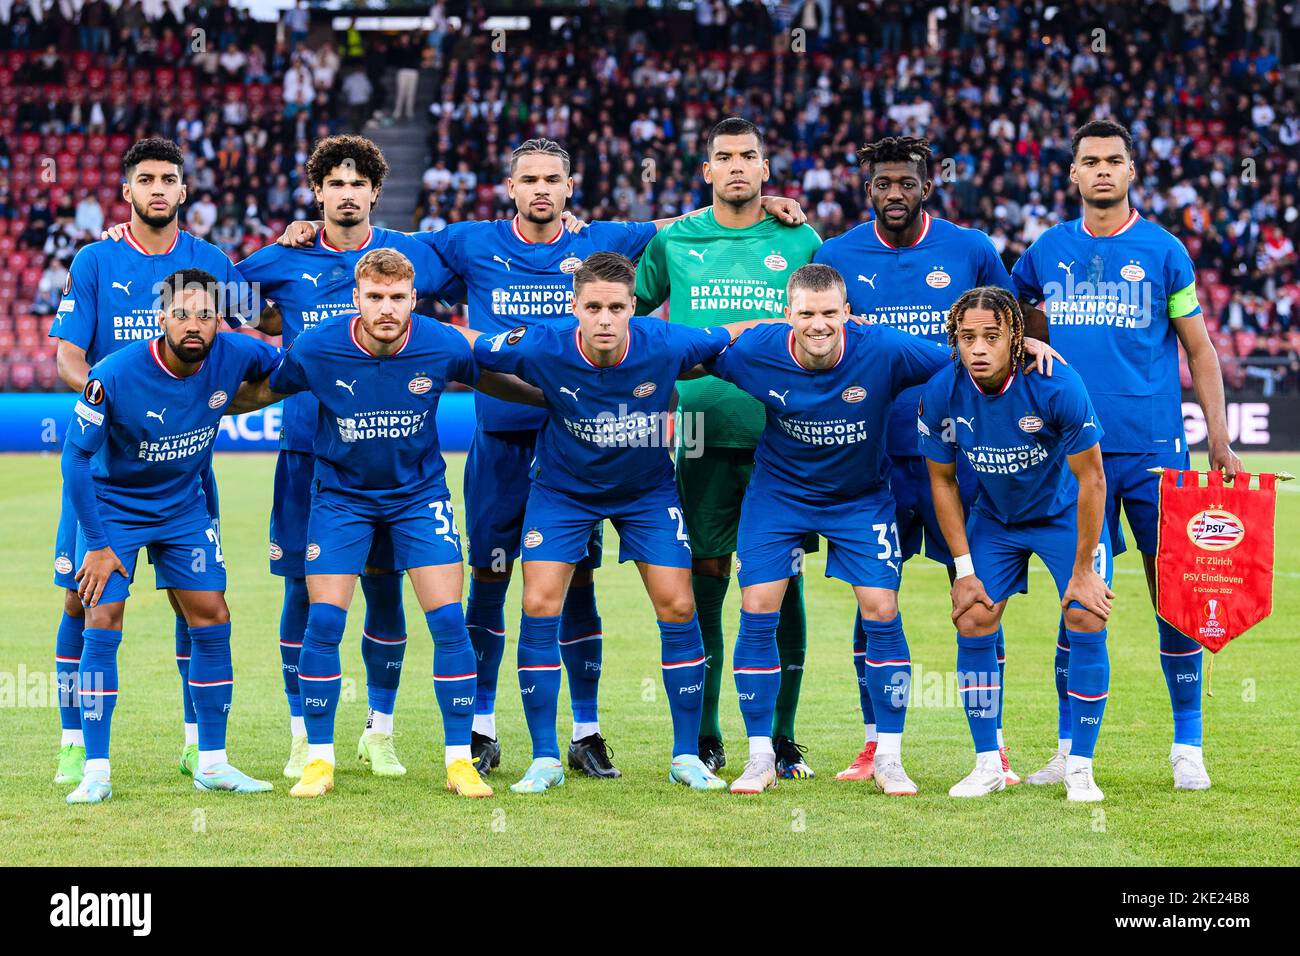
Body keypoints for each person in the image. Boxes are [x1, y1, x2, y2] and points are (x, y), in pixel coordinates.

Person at [276, 136, 805, 780]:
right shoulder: (468, 242)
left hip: (583, 446)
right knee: (493, 583)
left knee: (575, 586)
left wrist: (765, 200)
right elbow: (378, 256)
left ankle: (585, 732)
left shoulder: (602, 241)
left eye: (553, 178)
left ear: (570, 185)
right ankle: (479, 728)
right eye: (529, 179)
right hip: (502, 440)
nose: (541, 190)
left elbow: (687, 223)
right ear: (511, 186)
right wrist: (310, 225)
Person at [234, 248, 540, 799]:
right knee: (324, 624)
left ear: (413, 299)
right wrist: (199, 405)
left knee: (448, 623)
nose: (386, 308)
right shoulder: (317, 346)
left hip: (419, 498)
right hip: (341, 499)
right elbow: (264, 390)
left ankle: (458, 762)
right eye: (374, 296)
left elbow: (491, 378)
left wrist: (555, 402)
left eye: (397, 297)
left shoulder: (441, 341)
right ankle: (319, 761)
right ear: (356, 298)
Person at [469, 252, 762, 793]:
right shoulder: (540, 344)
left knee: (678, 604)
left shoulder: (667, 342)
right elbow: (467, 346)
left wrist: (804, 319)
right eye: (594, 307)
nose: (605, 319)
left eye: (616, 308)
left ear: (633, 307)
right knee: (538, 605)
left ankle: (684, 755)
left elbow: (733, 332)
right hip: (562, 492)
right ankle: (544, 758)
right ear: (574, 307)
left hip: (645, 493)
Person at [1012, 120, 1241, 791]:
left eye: (1115, 161)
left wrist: (1219, 438)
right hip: (1074, 455)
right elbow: (1024, 332)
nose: (1103, 171)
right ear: (1073, 174)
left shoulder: (1165, 251)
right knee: (1080, 599)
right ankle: (1065, 750)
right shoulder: (1043, 254)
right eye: (1091, 161)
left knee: (1176, 596)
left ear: (1133, 170)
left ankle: (1188, 746)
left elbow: (1199, 349)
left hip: (1156, 453)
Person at [235, 135, 465, 781]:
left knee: (387, 592)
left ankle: (380, 732)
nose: (345, 193)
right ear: (317, 193)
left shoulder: (406, 256)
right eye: (332, 183)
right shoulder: (285, 257)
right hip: (308, 455)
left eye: (356, 183)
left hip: (389, 462)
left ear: (373, 191)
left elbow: (472, 265)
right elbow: (217, 290)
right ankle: (303, 738)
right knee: (302, 598)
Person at [813, 135, 1023, 785]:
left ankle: (994, 749)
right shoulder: (835, 255)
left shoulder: (971, 249)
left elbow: (1013, 332)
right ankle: (876, 743)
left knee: (976, 598)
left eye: (906, 182)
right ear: (866, 188)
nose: (894, 193)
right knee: (873, 599)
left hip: (960, 463)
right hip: (870, 460)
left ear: (928, 185)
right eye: (883, 183)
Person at [47, 138, 255, 789]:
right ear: (128, 190)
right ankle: (76, 744)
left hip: (184, 465)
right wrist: (111, 404)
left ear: (184, 191)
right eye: (147, 179)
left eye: (169, 178)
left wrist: (296, 242)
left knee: (197, 603)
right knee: (84, 603)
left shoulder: (212, 261)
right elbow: (67, 357)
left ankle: (201, 749)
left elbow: (260, 325)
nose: (159, 189)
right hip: (104, 459)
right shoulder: (96, 258)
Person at [706, 264, 950, 795]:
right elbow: (681, 354)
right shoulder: (754, 351)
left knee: (882, 611)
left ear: (847, 314)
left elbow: (962, 361)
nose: (819, 325)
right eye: (807, 314)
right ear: (788, 314)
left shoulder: (884, 349)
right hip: (779, 497)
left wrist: (1029, 350)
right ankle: (759, 756)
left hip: (859, 500)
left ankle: (889, 755)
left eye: (829, 314)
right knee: (757, 609)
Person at [634, 116, 824, 777]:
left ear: (766, 170)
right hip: (695, 432)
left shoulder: (800, 237)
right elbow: (624, 310)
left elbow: (829, 320)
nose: (738, 165)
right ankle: (710, 734)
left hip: (786, 431)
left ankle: (783, 736)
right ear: (707, 170)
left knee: (780, 578)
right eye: (724, 156)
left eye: (750, 155)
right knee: (708, 575)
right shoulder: (677, 238)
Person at [61, 269, 280, 804]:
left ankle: (212, 762)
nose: (193, 325)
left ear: (219, 322)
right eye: (181, 314)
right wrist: (96, 542)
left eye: (205, 315)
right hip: (114, 509)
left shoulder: (238, 355)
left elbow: (290, 364)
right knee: (102, 617)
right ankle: (95, 769)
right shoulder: (113, 373)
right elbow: (75, 458)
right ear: (161, 318)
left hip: (184, 508)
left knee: (212, 616)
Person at [920, 286, 1113, 802]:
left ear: (1016, 339)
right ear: (954, 341)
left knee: (1085, 614)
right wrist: (963, 569)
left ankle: (1080, 765)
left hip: (1064, 515)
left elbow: (1093, 479)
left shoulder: (1056, 385)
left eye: (991, 336)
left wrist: (1084, 570)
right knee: (974, 614)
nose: (978, 348)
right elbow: (942, 482)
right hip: (997, 520)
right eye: (967, 337)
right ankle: (988, 764)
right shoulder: (943, 392)